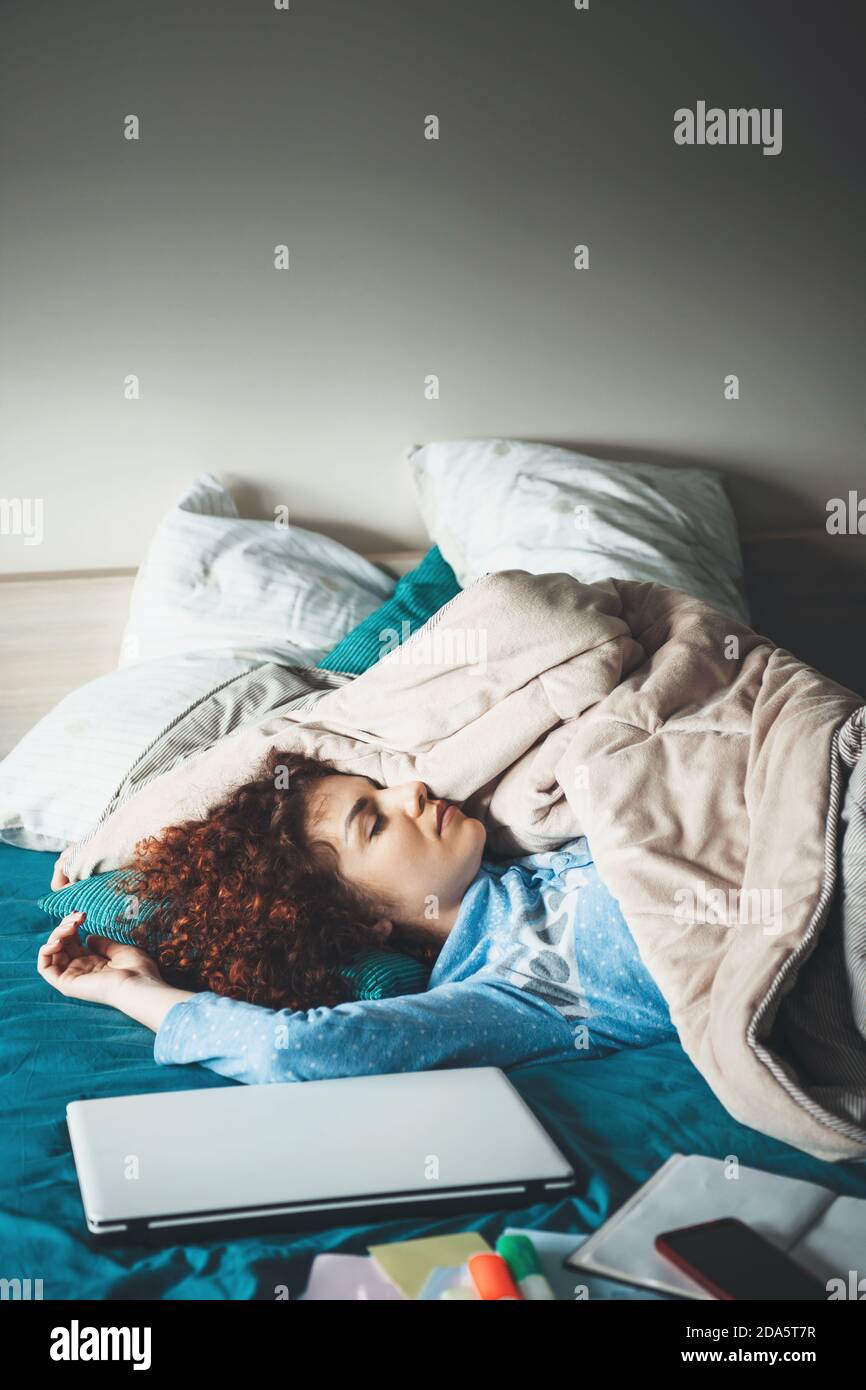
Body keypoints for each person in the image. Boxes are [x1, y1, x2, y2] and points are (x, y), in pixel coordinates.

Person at [37, 750, 678, 1084]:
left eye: (382, 789)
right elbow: (296, 1050)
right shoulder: (515, 988)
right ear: (361, 922)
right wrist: (134, 991)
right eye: (374, 822)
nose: (412, 792)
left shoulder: (539, 838)